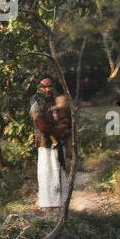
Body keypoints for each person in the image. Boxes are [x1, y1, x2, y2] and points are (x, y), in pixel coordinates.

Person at [29, 75, 71, 210]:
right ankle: (48, 202)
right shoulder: (37, 101)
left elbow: (62, 116)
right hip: (45, 141)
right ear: (40, 88)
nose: (48, 89)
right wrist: (55, 131)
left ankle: (59, 202)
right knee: (47, 171)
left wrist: (63, 130)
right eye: (45, 87)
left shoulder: (53, 99)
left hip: (57, 140)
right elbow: (39, 123)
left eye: (49, 87)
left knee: (58, 170)